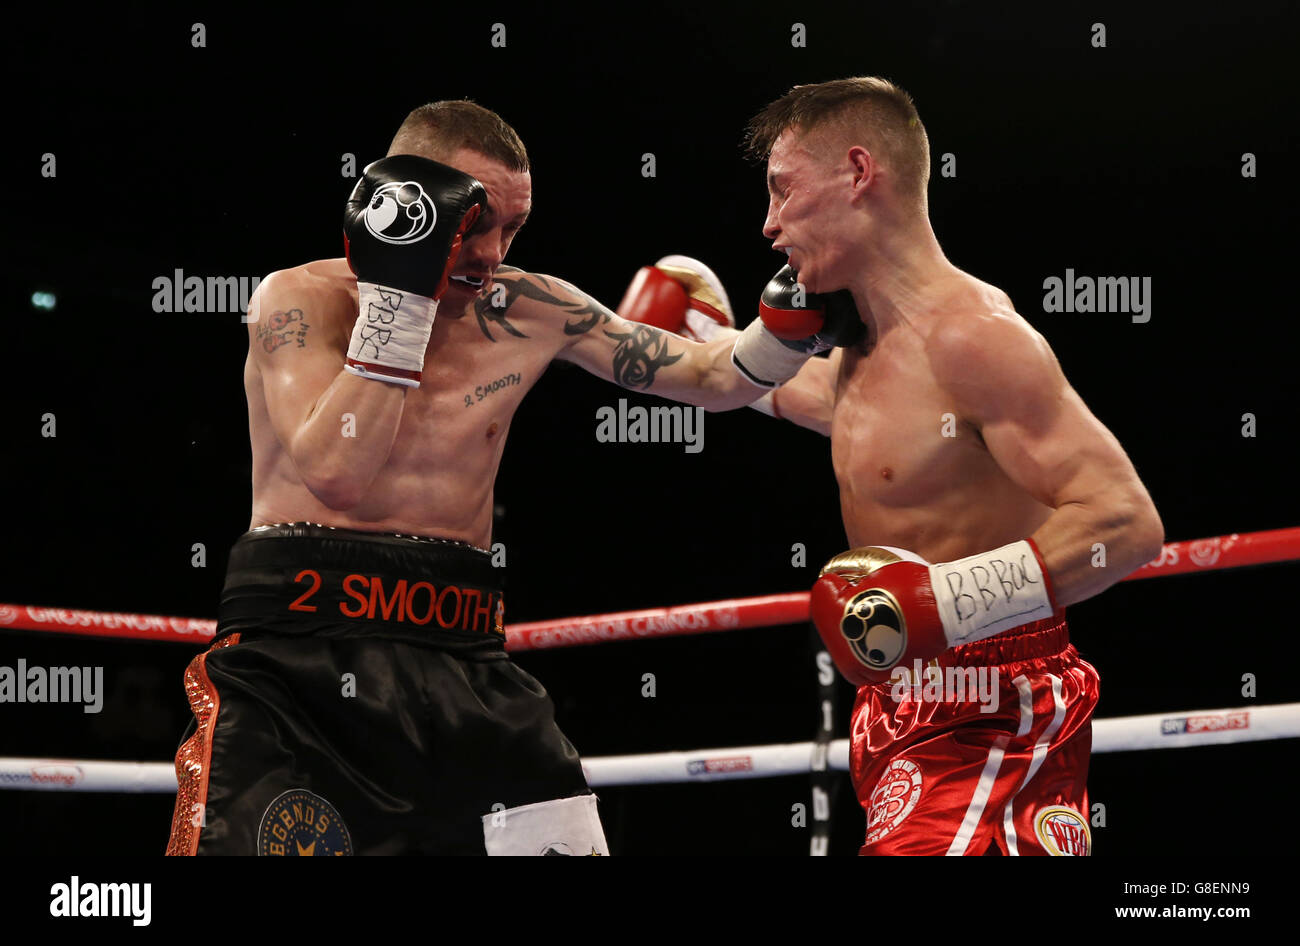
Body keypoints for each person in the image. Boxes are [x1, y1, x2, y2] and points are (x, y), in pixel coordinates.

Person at [164, 100, 825, 856]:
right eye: (473, 222)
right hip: (297, 660)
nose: (491, 251)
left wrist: (790, 326)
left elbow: (715, 376)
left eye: (512, 227)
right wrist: (400, 300)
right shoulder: (300, 300)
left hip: (464, 657)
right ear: (401, 206)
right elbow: (336, 474)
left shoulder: (534, 306)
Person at [735, 77, 1164, 855]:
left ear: (859, 172)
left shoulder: (972, 337)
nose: (769, 224)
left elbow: (1126, 524)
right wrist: (707, 340)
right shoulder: (864, 348)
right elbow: (815, 400)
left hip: (991, 713)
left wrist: (944, 605)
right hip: (900, 706)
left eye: (782, 190)